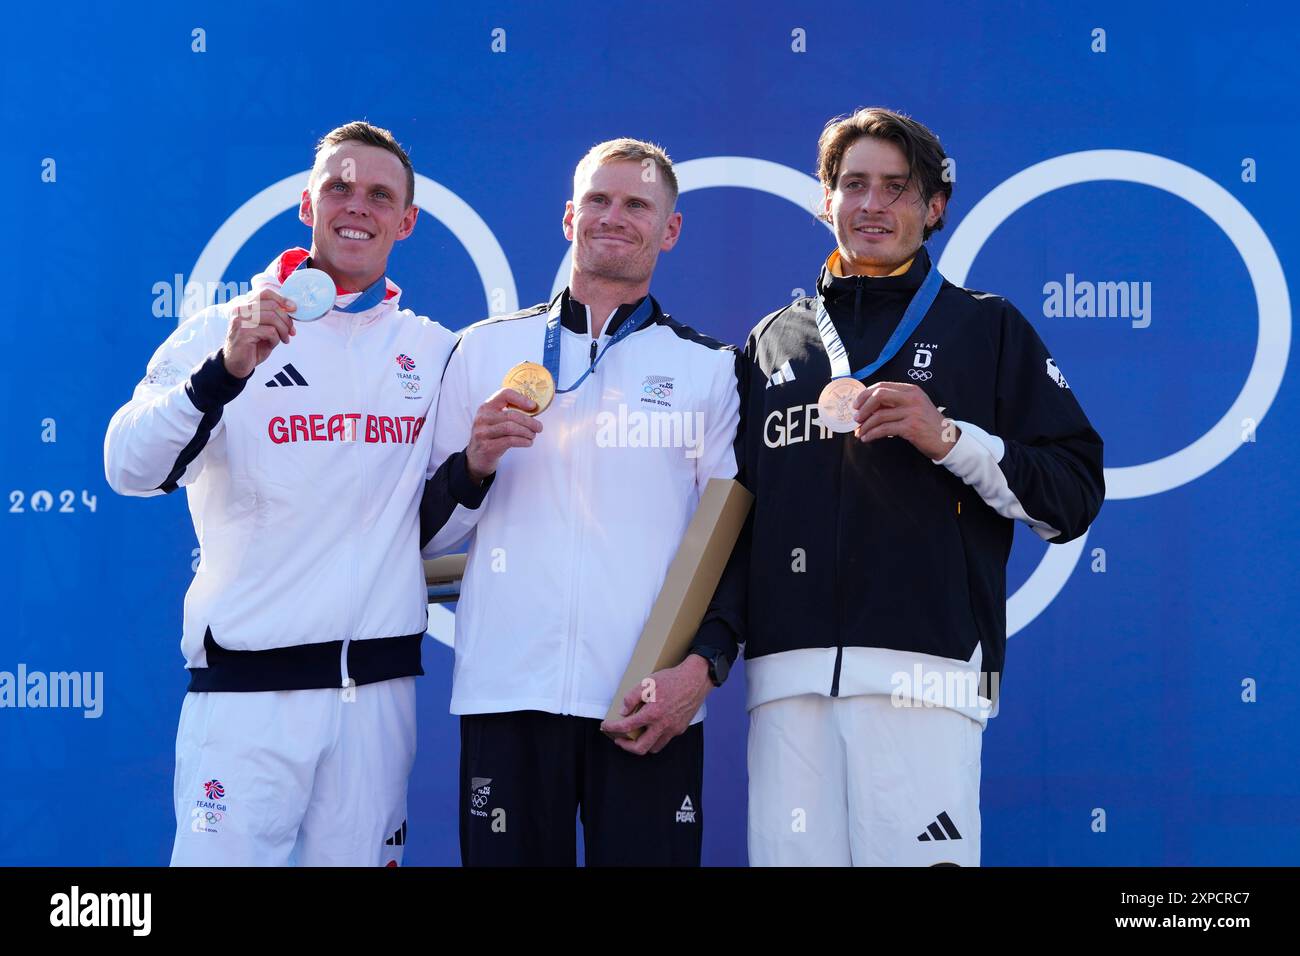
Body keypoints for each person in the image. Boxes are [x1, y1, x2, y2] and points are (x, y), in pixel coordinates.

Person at [698, 107, 1105, 866]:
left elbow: (1073, 496)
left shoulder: (987, 328)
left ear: (935, 206)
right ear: (827, 199)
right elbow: (736, 518)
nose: (873, 205)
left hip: (927, 679)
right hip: (786, 688)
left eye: (896, 187)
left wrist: (950, 439)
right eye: (854, 184)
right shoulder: (772, 339)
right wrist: (712, 653)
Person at [103, 121, 474, 866]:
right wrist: (223, 371)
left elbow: (432, 528)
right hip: (247, 701)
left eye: (378, 193)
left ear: (406, 221)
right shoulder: (222, 328)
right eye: (338, 186)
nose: (355, 206)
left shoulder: (431, 351)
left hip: (377, 700)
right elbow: (128, 467)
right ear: (308, 205)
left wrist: (477, 470)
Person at [421, 138, 741, 866]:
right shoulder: (481, 350)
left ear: (671, 230)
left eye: (637, 204)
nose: (614, 216)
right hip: (508, 696)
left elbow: (731, 543)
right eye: (598, 200)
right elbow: (425, 538)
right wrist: (474, 465)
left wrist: (702, 668)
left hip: (641, 701)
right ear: (569, 217)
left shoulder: (709, 370)